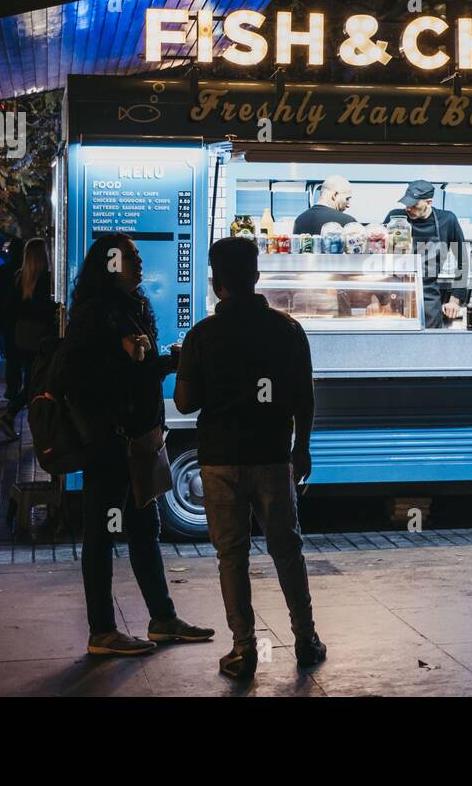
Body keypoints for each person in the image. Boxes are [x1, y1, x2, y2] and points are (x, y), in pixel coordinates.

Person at [50, 233, 214, 656]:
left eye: (139, 256)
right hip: (110, 443)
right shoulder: (93, 312)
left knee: (146, 529)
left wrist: (167, 361)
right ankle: (102, 631)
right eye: (131, 257)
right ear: (110, 264)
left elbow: (139, 372)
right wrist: (122, 356)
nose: (139, 262)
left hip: (141, 437)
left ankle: (163, 619)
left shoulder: (135, 304)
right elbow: (72, 379)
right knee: (102, 536)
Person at [174, 236, 326, 682]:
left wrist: (187, 367)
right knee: (287, 549)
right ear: (256, 276)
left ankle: (244, 651)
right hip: (272, 456)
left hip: (219, 460)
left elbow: (184, 403)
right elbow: (305, 395)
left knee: (231, 555)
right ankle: (305, 640)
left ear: (216, 282)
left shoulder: (201, 335)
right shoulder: (287, 329)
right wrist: (302, 447)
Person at [385, 180, 468, 328]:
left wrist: (455, 300)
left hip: (428, 296)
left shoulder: (447, 220)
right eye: (406, 203)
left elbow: (462, 261)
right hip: (395, 293)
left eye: (414, 205)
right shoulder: (395, 218)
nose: (408, 208)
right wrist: (375, 298)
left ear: (428, 202)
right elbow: (379, 256)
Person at [0, 238, 57, 439]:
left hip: (21, 334)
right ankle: (14, 417)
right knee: (37, 382)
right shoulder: (48, 279)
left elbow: (9, 309)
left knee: (32, 379)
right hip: (40, 336)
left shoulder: (20, 277)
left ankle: (18, 418)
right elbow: (48, 311)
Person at [0, 238, 26, 403]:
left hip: (9, 319)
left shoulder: (3, 270)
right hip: (26, 320)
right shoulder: (29, 271)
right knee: (26, 357)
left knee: (12, 357)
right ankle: (25, 391)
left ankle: (13, 389)